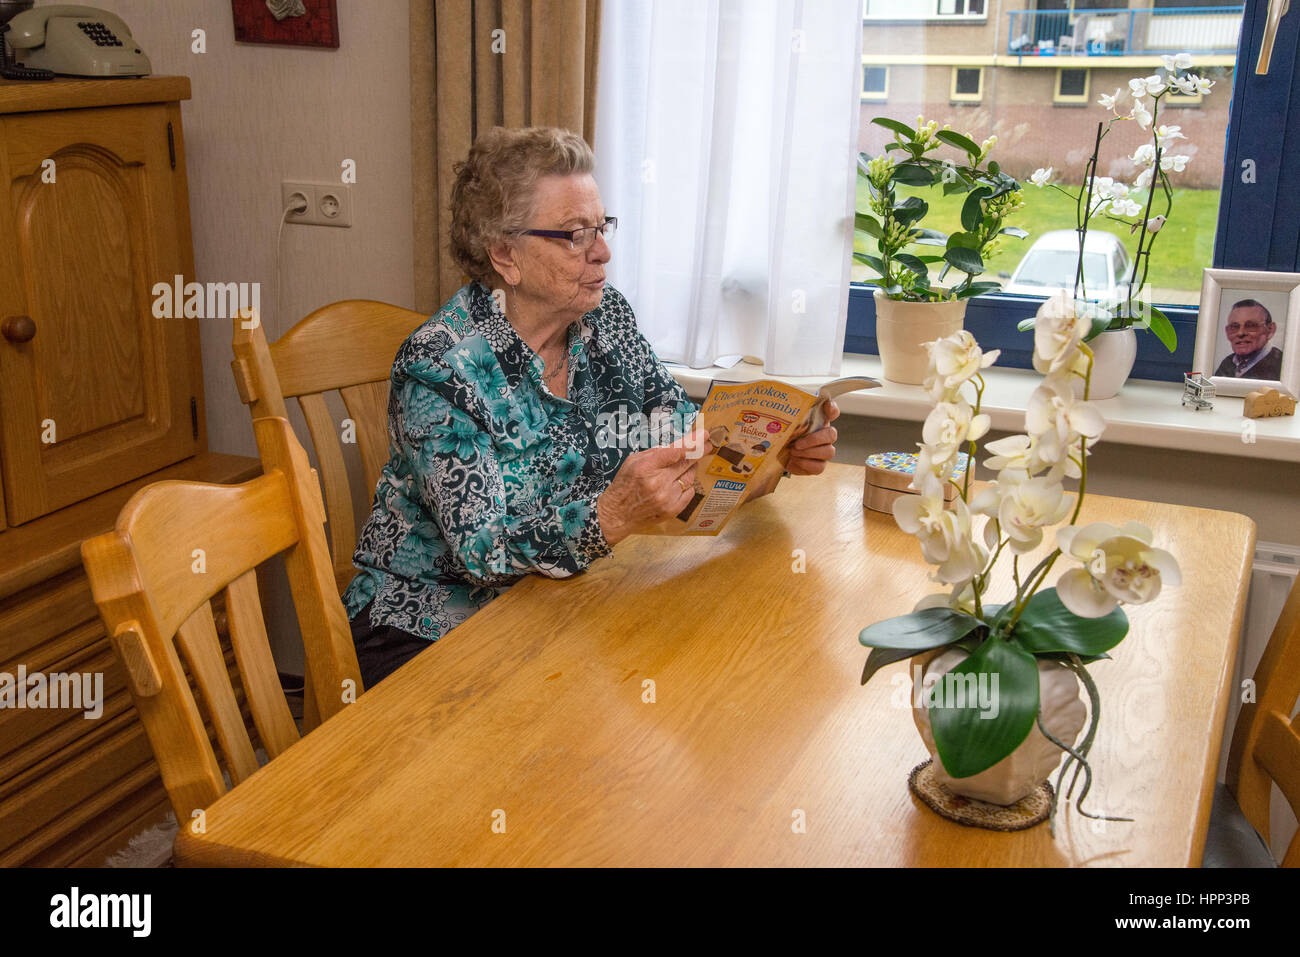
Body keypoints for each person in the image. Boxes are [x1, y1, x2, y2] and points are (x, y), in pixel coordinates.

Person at [344, 126, 841, 688]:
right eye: (575, 235)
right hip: (429, 627)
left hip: (561, 601)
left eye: (602, 227)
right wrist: (614, 513)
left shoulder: (604, 319)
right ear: (505, 253)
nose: (602, 251)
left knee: (719, 672)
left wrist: (775, 452)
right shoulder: (440, 367)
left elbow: (684, 443)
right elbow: (485, 552)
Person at [1213, 299, 1284, 380]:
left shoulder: (1283, 367)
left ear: (1270, 330)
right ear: (1227, 332)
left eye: (1250, 326)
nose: (1240, 333)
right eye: (1234, 327)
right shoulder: (1227, 363)